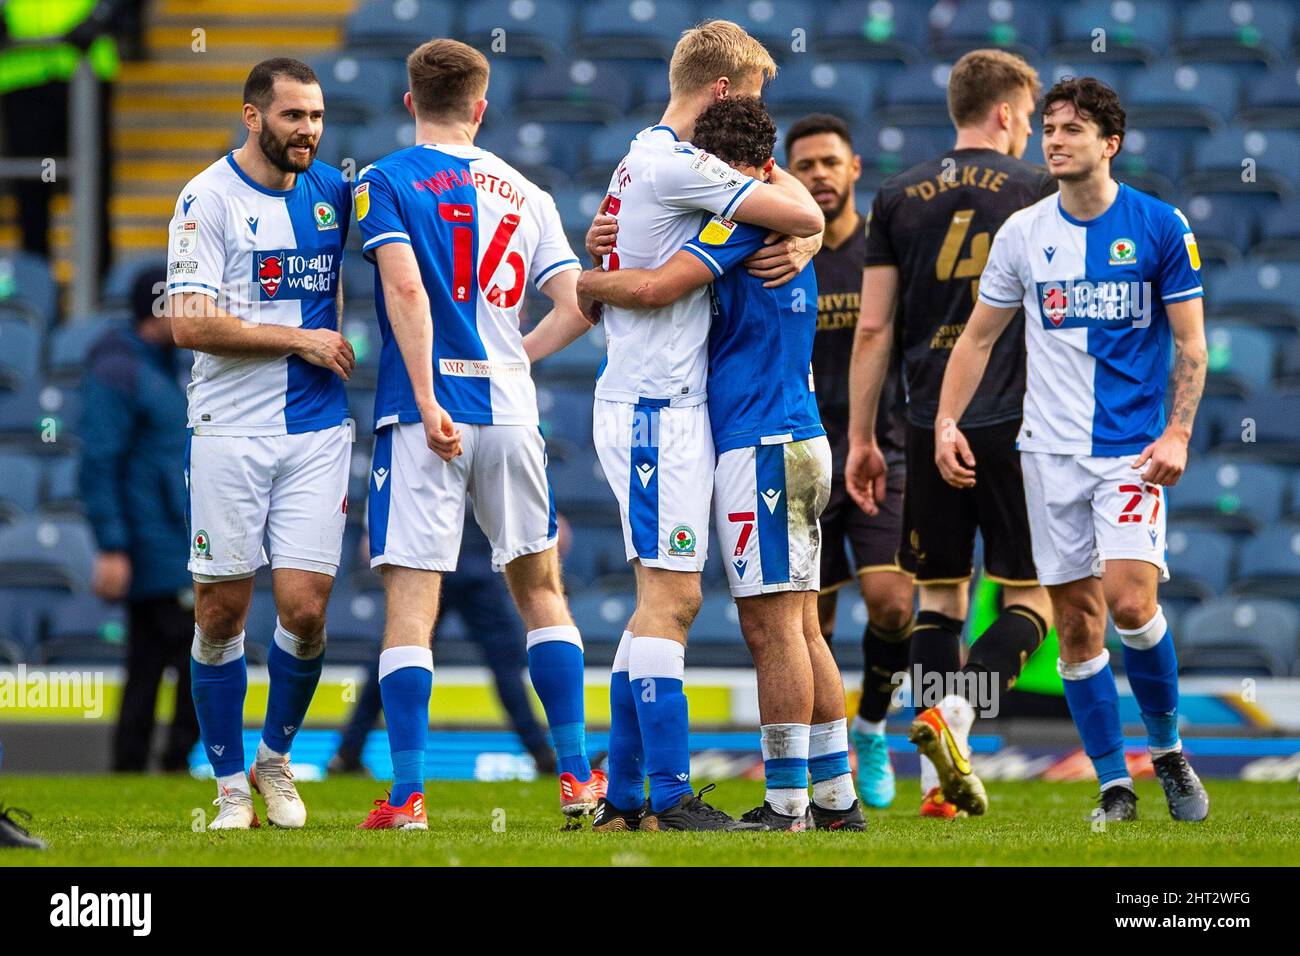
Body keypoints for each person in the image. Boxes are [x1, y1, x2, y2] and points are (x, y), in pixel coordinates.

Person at [543, 19, 822, 833]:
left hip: (661, 404)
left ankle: (626, 797)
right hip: (654, 409)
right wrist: (801, 235)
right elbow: (796, 205)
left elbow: (797, 219)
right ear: (724, 91)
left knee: (657, 601)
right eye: (753, 99)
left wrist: (594, 279)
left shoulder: (638, 162)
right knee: (673, 598)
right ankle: (666, 794)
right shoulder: (678, 162)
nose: (752, 126)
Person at [936, 76, 1210, 823]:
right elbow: (978, 337)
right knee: (1080, 625)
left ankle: (1167, 750)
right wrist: (946, 422)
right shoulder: (1023, 233)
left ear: (1109, 144)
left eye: (1072, 130)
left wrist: (1178, 431)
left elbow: (1190, 343)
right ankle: (1113, 787)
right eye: (1049, 127)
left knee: (1130, 603)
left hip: (1128, 452)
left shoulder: (1160, 226)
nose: (1054, 139)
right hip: (1046, 455)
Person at [353, 39, 601, 831]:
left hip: (426, 419)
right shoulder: (527, 191)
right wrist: (514, 361)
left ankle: (409, 797)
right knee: (540, 592)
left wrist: (429, 398)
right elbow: (579, 305)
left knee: (411, 604)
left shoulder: (384, 180)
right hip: (512, 414)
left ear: (409, 101)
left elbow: (404, 289)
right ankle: (576, 781)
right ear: (482, 106)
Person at [844, 49, 1056, 818]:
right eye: (1030, 118)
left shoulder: (897, 195)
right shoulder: (1040, 192)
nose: (1032, 131)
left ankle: (937, 785)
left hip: (929, 422)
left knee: (940, 597)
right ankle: (959, 717)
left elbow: (872, 329)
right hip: (1022, 417)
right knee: (1038, 596)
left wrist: (866, 438)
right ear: (1005, 114)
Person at [166, 58, 355, 829]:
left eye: (315, 117)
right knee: (220, 614)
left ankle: (273, 760)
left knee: (306, 611)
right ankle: (226, 785)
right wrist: (299, 340)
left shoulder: (337, 194)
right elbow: (187, 322)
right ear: (253, 118)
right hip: (228, 429)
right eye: (291, 117)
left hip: (314, 429)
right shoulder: (205, 199)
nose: (308, 131)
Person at [783, 113, 912, 810]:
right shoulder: (782, 250)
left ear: (855, 168)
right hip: (804, 458)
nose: (820, 176)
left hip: (882, 452)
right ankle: (811, 760)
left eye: (830, 163)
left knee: (893, 605)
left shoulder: (882, 252)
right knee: (813, 627)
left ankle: (869, 727)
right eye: (805, 166)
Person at [80, 264, 197, 772]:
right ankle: (170, 760)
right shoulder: (120, 369)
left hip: (172, 538)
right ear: (160, 308)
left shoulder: (161, 364)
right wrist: (113, 545)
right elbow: (98, 461)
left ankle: (133, 766)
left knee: (151, 660)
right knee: (196, 653)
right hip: (153, 545)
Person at [329, 518, 556, 776]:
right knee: (505, 666)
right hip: (474, 563)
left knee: (399, 653)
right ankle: (543, 754)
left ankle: (349, 752)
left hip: (430, 561)